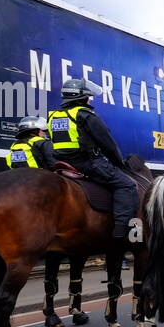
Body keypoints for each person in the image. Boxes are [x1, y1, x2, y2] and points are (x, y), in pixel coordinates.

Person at [47, 77, 137, 242]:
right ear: (81, 97)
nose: (90, 99)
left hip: (64, 164)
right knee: (127, 185)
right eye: (89, 96)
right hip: (88, 164)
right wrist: (119, 164)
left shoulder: (53, 116)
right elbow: (108, 144)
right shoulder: (85, 115)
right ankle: (121, 232)